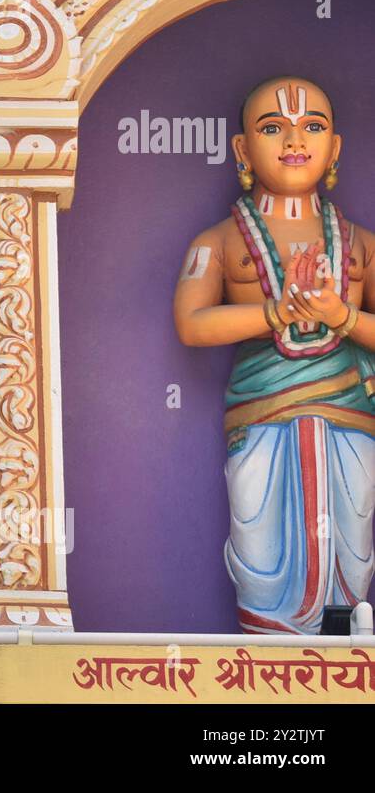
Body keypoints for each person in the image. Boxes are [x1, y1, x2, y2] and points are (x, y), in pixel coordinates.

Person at [174, 76, 375, 634]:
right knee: (259, 541)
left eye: (313, 126)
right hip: (261, 414)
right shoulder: (218, 242)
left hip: (348, 414)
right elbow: (190, 323)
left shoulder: (360, 244)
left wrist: (342, 318)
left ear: (334, 148)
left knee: (347, 537)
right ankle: (269, 660)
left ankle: (339, 650)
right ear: (242, 149)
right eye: (272, 127)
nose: (294, 139)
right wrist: (274, 313)